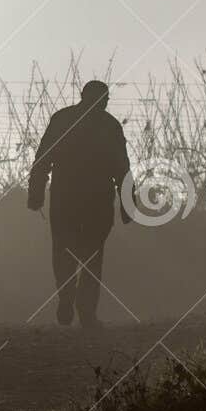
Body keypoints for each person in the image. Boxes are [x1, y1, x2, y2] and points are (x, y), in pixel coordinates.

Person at [27, 80, 131, 329]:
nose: (104, 104)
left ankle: (67, 298)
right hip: (98, 200)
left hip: (65, 198)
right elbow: (122, 167)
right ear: (103, 100)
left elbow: (43, 158)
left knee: (62, 251)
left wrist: (36, 193)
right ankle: (85, 311)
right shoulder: (109, 125)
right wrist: (128, 203)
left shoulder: (63, 119)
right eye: (104, 100)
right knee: (93, 256)